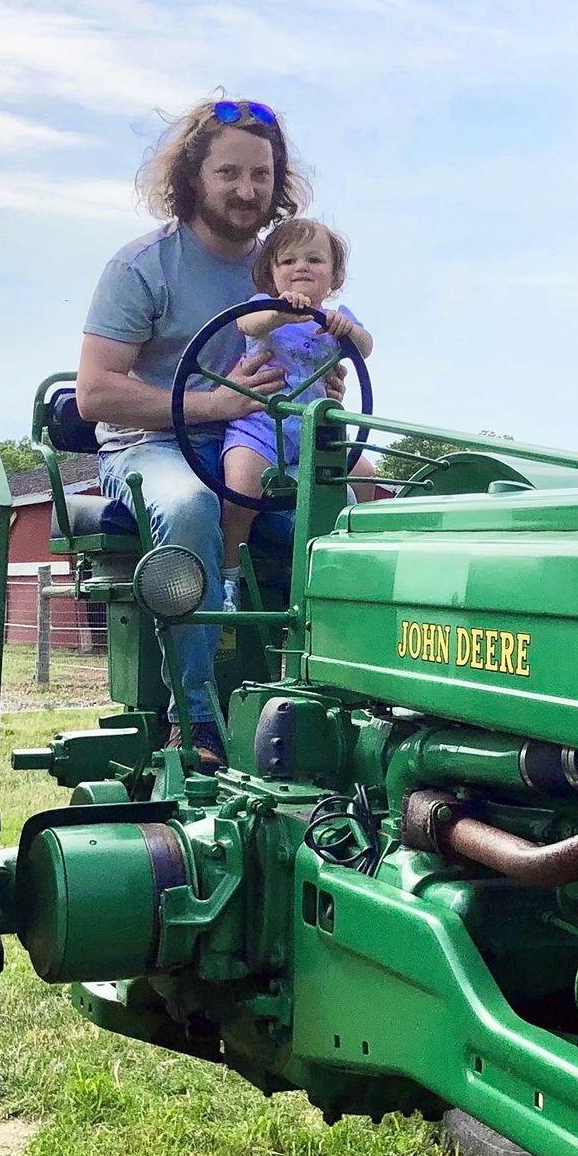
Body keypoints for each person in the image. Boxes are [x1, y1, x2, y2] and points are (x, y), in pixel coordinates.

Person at [74, 97, 304, 771]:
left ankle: (320, 703)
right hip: (152, 447)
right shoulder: (143, 266)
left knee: (339, 523)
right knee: (189, 506)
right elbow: (94, 393)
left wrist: (322, 381)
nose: (247, 190)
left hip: (255, 444)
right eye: (229, 173)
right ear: (193, 178)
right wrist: (213, 404)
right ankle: (195, 720)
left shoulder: (280, 269)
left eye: (260, 175)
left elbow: (300, 357)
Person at [221, 218, 375, 568]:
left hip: (315, 436)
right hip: (260, 429)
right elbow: (247, 324)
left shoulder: (337, 319)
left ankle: (356, 561)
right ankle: (231, 573)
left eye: (314, 260)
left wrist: (349, 331)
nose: (301, 266)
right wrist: (280, 314)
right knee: (240, 495)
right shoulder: (264, 306)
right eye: (288, 261)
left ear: (334, 277)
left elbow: (365, 348)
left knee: (365, 475)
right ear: (271, 274)